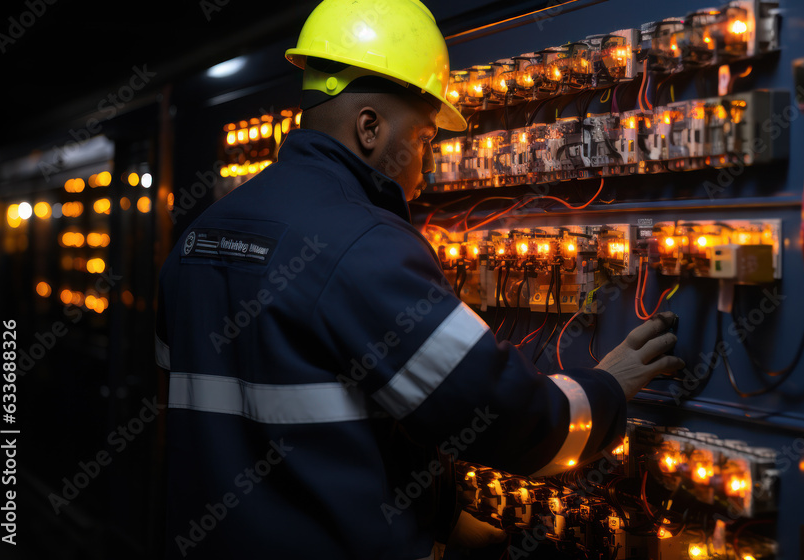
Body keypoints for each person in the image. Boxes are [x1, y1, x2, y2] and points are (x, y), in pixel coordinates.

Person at [154, 0, 684, 557]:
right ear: (370, 128)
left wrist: (441, 515)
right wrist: (607, 389)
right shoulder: (364, 244)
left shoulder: (196, 241)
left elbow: (282, 425)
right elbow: (505, 420)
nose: (427, 166)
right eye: (425, 139)